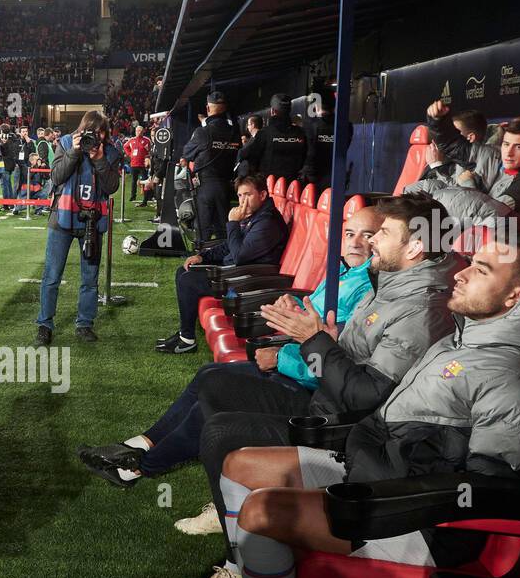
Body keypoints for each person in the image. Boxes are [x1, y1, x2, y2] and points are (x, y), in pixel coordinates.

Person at [188, 235, 520, 578]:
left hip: (417, 519)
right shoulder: (466, 339)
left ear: (517, 296)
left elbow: (483, 492)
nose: (462, 271)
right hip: (376, 474)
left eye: (482, 269)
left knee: (260, 512)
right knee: (240, 463)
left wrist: (375, 493)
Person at [81, 205, 383, 490]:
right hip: (292, 364)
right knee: (209, 375)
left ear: (381, 241)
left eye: (366, 235)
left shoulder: (366, 289)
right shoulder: (343, 272)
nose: (355, 242)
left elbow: (330, 363)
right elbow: (315, 331)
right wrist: (292, 311)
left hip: (308, 390)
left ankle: (136, 465)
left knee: (211, 397)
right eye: (349, 233)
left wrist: (280, 359)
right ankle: (139, 449)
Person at [156, 173, 288, 355]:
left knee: (188, 281)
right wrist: (203, 256)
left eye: (248, 195)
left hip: (245, 287)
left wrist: (233, 223)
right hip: (234, 274)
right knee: (184, 271)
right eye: (240, 196)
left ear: (263, 195)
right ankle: (184, 333)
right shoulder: (256, 215)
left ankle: (187, 340)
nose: (243, 201)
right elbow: (230, 245)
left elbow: (240, 255)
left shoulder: (268, 222)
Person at [34, 110, 122, 344]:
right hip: (62, 217)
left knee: (89, 277)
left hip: (93, 220)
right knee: (51, 275)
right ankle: (45, 324)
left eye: (102, 132)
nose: (97, 137)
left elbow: (112, 186)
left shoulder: (110, 151)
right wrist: (74, 151)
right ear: (82, 130)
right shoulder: (65, 143)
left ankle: (84, 323)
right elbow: (57, 177)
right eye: (93, 132)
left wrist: (99, 159)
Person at [407, 99, 520, 225]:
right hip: (456, 224)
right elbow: (452, 145)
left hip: (492, 238)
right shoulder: (489, 154)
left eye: (519, 147)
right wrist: (438, 121)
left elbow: (489, 213)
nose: (509, 153)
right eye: (506, 144)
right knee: (418, 193)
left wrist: (467, 184)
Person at [180, 91, 239, 241]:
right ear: (224, 108)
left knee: (203, 229)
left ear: (208, 109)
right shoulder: (234, 133)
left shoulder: (202, 132)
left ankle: (201, 259)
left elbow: (187, 154)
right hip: (226, 187)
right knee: (223, 229)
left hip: (206, 186)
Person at [239, 93, 307, 185]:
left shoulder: (264, 134)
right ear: (289, 110)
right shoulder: (301, 133)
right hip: (295, 189)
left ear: (272, 111)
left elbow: (250, 158)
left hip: (269, 188)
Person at [124, 124, 151, 203]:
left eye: (140, 131)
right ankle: (133, 196)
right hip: (134, 163)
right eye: (137, 130)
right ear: (135, 131)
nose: (138, 132)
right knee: (134, 180)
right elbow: (125, 146)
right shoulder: (132, 140)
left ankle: (147, 197)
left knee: (145, 181)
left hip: (143, 164)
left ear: (143, 132)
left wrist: (147, 158)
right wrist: (130, 154)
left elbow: (150, 150)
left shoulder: (147, 140)